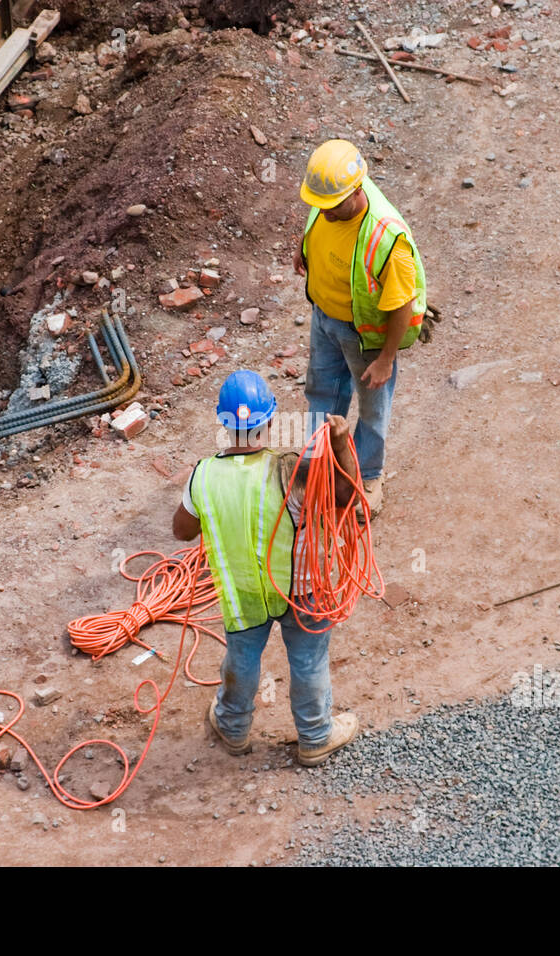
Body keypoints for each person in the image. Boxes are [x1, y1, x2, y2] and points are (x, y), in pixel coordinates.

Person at [172, 369, 359, 766]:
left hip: (243, 594)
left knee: (242, 658)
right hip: (302, 589)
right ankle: (315, 736)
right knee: (308, 662)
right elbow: (346, 500)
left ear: (222, 422)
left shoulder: (202, 476)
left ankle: (233, 728)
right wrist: (341, 446)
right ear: (271, 421)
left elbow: (181, 531)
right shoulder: (288, 469)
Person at [293, 138, 427, 518]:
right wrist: (303, 248)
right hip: (324, 320)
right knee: (321, 391)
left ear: (355, 192)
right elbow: (318, 222)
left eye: (331, 206)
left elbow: (403, 303)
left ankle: (368, 474)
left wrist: (386, 359)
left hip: (365, 338)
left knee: (372, 408)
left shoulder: (387, 238)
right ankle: (319, 469)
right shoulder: (328, 202)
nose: (324, 212)